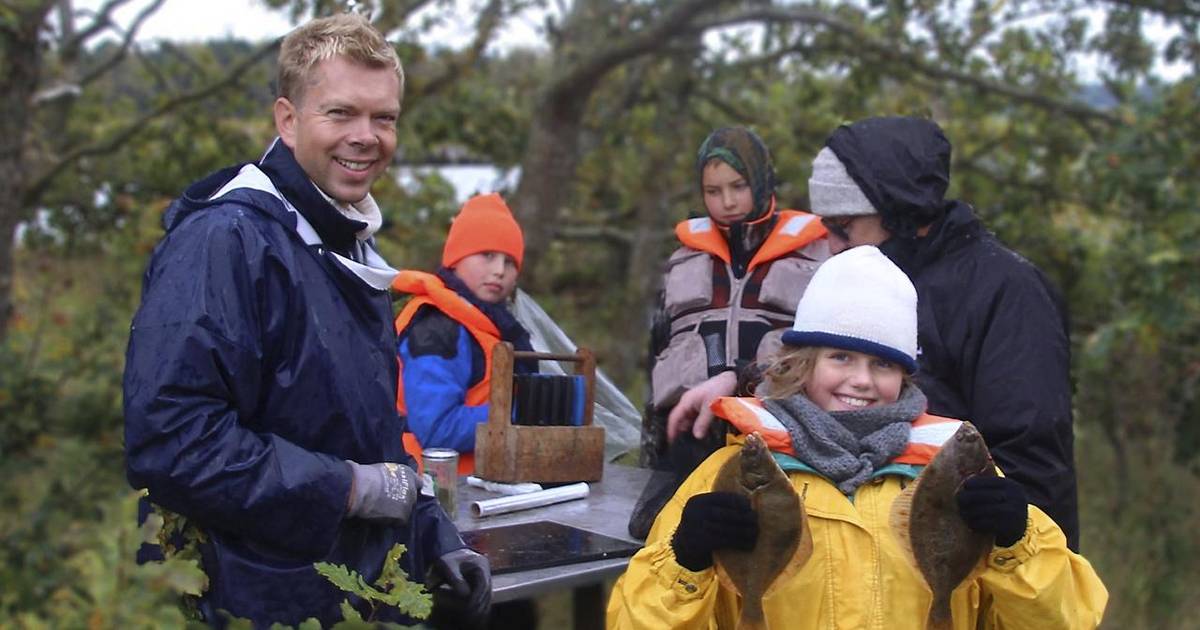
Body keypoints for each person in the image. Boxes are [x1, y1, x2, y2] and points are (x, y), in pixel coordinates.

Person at [123, 14, 490, 628]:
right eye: (340, 113)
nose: (366, 137)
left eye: (384, 118)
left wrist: (436, 534)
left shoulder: (343, 243)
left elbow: (369, 438)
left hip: (346, 595)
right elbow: (173, 442)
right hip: (249, 601)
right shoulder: (226, 242)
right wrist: (346, 488)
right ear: (288, 120)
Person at [607, 246, 1107, 629]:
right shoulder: (730, 474)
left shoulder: (959, 474)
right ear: (802, 363)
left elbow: (1067, 619)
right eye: (841, 357)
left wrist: (1017, 542)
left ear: (905, 376)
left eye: (883, 364)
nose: (862, 381)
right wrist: (687, 560)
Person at [804, 116, 1080, 550]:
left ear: (899, 213)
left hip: (972, 557)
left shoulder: (1008, 291)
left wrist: (1014, 541)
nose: (832, 245)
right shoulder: (862, 284)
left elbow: (1031, 457)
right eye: (825, 227)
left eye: (844, 226)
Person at [631, 126, 829, 538]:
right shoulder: (681, 260)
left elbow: (829, 353)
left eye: (738, 186)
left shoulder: (818, 253)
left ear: (762, 180)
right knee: (656, 533)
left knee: (771, 539)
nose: (728, 202)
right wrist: (653, 444)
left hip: (779, 433)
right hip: (692, 437)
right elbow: (658, 353)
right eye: (713, 191)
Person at [392, 192, 536, 474]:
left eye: (509, 262)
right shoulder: (437, 328)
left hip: (481, 482)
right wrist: (528, 411)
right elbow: (437, 430)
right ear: (455, 261)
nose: (499, 271)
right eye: (487, 256)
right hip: (434, 489)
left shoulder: (494, 327)